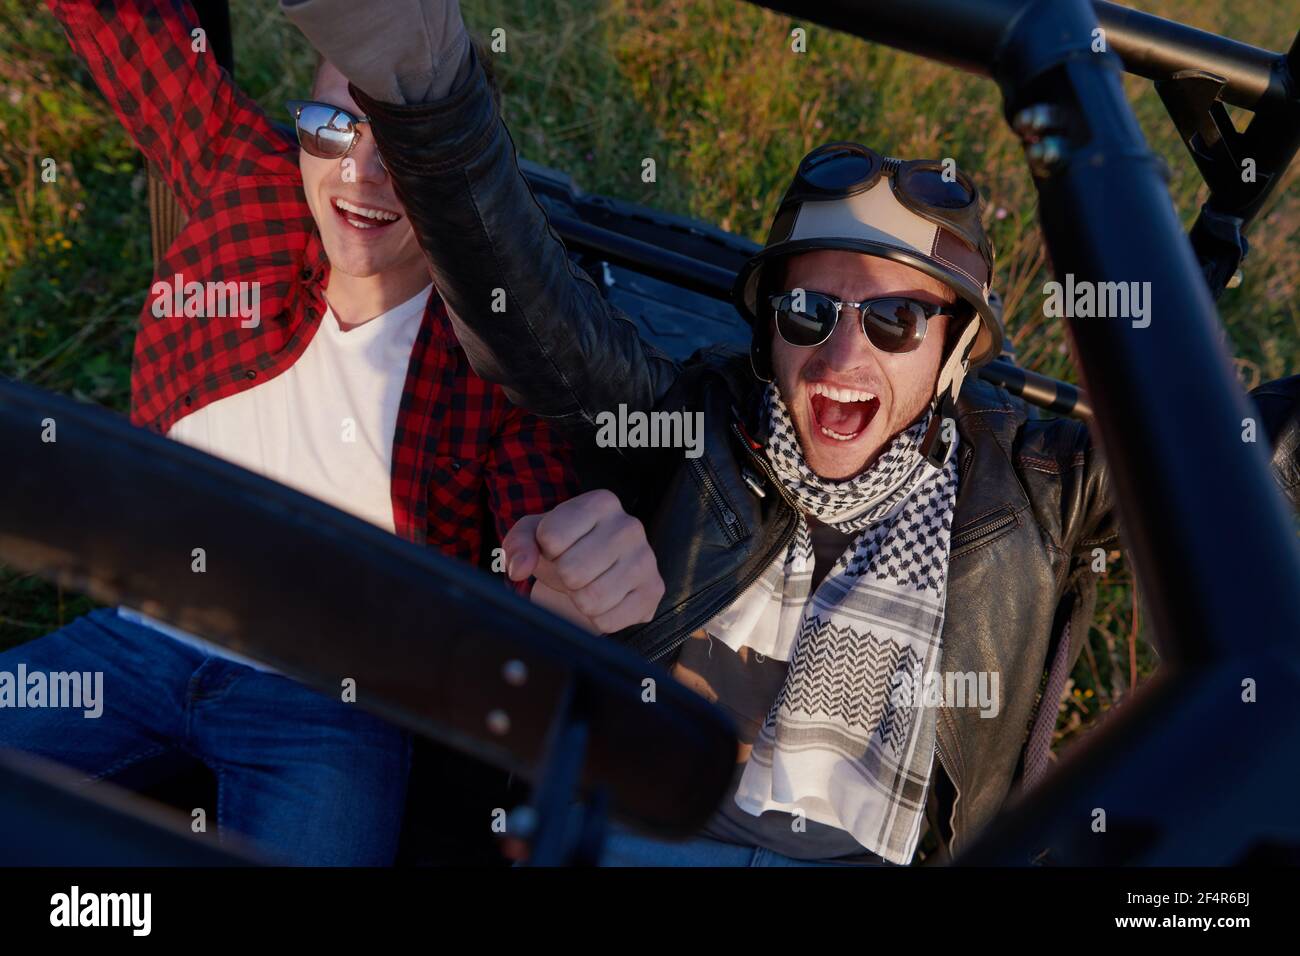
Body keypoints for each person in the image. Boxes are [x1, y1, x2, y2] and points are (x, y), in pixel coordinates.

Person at [284, 0, 1300, 866]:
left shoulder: (1040, 485)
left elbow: (1251, 450)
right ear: (768, 326)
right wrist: (419, 76)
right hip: (651, 837)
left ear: (954, 352)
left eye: (894, 320)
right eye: (808, 313)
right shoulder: (693, 425)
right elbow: (529, 319)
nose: (838, 356)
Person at [0, 0, 662, 866]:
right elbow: (120, 26)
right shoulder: (246, 184)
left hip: (335, 697)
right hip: (141, 638)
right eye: (330, 124)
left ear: (461, 175)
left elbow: (538, 543)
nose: (359, 171)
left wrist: (570, 583)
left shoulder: (499, 341)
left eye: (401, 144)